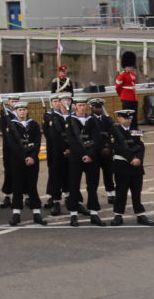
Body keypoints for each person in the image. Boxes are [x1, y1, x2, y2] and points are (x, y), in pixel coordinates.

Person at [109, 109, 154, 226]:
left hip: (136, 167)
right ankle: (118, 215)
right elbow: (118, 148)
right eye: (125, 118)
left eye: (129, 118)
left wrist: (138, 159)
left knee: (136, 192)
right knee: (121, 192)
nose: (128, 120)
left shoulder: (136, 131)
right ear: (119, 118)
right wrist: (131, 158)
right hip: (122, 166)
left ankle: (140, 214)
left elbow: (141, 146)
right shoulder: (114, 131)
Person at [4, 102, 47, 226]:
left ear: (27, 111)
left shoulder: (33, 124)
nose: (22, 112)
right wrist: (24, 157)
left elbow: (37, 143)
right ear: (16, 111)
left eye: (24, 109)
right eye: (20, 110)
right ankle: (16, 214)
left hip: (32, 161)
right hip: (18, 161)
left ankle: (37, 213)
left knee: (32, 187)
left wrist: (32, 157)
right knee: (17, 187)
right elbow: (12, 145)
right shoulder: (11, 125)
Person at [64, 95, 104, 226]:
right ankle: (73, 214)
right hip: (76, 158)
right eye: (80, 105)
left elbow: (96, 138)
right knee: (74, 186)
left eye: (84, 105)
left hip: (91, 158)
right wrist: (83, 154)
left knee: (92, 186)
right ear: (75, 106)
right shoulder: (70, 120)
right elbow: (71, 140)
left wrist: (90, 154)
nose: (82, 108)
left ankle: (94, 213)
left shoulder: (92, 120)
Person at [91, 98, 116, 203]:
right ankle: (93, 196)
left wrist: (109, 148)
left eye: (100, 107)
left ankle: (111, 194)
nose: (98, 109)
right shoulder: (89, 119)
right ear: (92, 108)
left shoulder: (107, 119)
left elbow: (112, 135)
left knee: (109, 174)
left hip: (107, 152)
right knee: (94, 177)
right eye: (96, 107)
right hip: (95, 152)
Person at [0, 94, 19, 209]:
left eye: (16, 101)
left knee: (20, 171)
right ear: (8, 102)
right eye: (12, 101)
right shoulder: (3, 113)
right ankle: (7, 195)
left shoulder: (21, 112)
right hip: (9, 146)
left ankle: (21, 195)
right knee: (9, 170)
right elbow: (3, 130)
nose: (14, 103)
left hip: (19, 147)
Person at [115, 52, 139, 128]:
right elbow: (118, 88)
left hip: (134, 98)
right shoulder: (121, 76)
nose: (130, 68)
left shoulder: (134, 75)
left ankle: (135, 131)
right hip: (126, 98)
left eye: (131, 67)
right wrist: (122, 96)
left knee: (134, 115)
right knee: (127, 116)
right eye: (129, 67)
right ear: (125, 67)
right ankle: (128, 131)